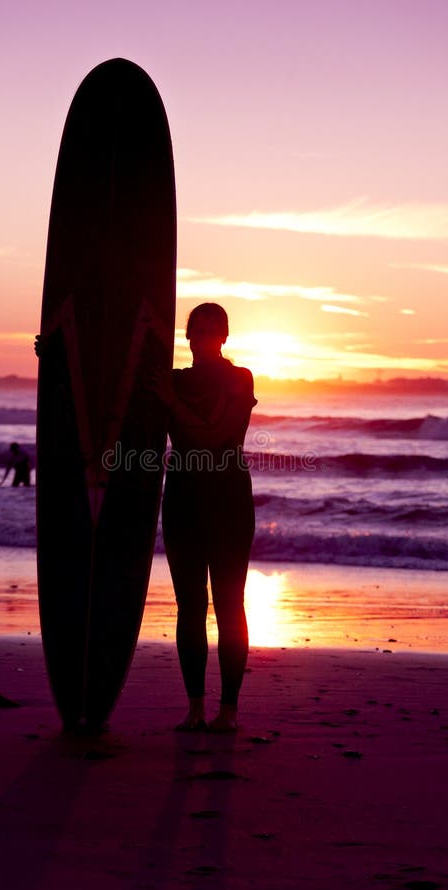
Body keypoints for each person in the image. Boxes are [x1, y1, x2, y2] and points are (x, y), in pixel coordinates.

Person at [151, 303, 257, 733]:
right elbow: (114, 386)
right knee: (189, 607)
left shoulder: (239, 378)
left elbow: (217, 436)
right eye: (199, 330)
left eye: (215, 331)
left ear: (226, 337)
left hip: (229, 498)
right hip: (183, 498)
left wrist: (172, 403)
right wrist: (55, 355)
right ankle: (195, 708)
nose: (206, 338)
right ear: (188, 335)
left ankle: (228, 711)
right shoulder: (171, 379)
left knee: (230, 606)